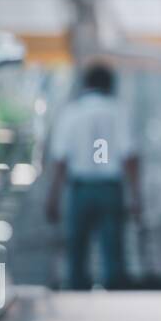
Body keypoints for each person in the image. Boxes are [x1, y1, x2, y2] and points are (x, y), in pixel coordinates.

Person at [45, 62, 141, 290]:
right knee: (113, 252)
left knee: (76, 252)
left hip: (79, 188)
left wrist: (53, 197)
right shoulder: (119, 111)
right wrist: (136, 195)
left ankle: (78, 302)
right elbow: (129, 155)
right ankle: (115, 303)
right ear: (110, 86)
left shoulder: (71, 112)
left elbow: (61, 158)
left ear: (86, 85)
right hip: (110, 188)